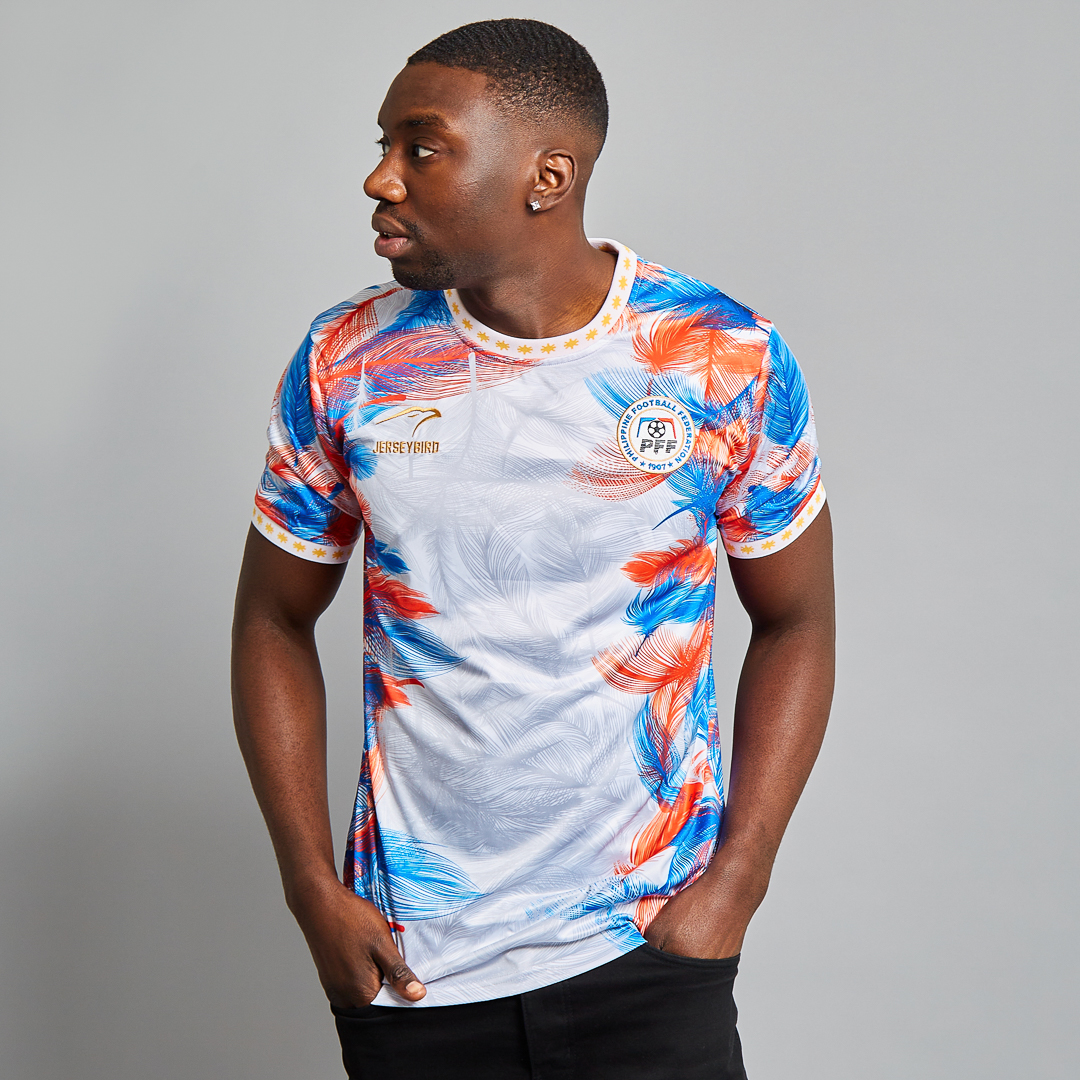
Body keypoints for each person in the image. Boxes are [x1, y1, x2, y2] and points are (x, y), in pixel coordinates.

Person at [231, 18, 834, 1080]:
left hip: (647, 949)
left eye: (422, 148)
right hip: (413, 965)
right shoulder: (345, 360)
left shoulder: (719, 355)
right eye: (384, 145)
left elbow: (799, 620)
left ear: (547, 178)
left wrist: (739, 880)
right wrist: (310, 889)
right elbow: (271, 619)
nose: (380, 178)